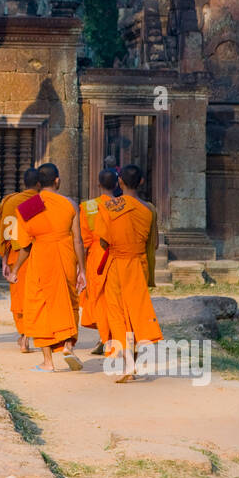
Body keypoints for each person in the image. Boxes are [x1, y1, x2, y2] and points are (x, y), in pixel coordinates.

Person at [6, 162, 86, 372]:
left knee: (41, 305)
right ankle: (68, 345)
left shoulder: (30, 206)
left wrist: (15, 271)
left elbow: (24, 246)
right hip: (66, 256)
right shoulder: (70, 203)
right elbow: (78, 240)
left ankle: (48, 361)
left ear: (39, 183)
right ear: (57, 180)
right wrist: (83, 270)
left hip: (41, 257)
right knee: (68, 301)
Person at [93, 163, 163, 382]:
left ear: (120, 182)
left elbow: (104, 242)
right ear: (141, 182)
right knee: (135, 310)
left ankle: (128, 364)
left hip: (117, 264)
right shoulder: (149, 210)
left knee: (117, 312)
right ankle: (132, 360)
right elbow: (156, 244)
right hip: (138, 264)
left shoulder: (109, 207)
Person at [0, 167, 40, 352]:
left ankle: (23, 336)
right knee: (36, 295)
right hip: (39, 254)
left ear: (24, 183)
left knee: (19, 297)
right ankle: (33, 334)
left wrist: (4, 260)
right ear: (39, 184)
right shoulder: (41, 202)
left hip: (16, 254)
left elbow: (6, 233)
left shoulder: (10, 202)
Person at [79, 168, 121, 355]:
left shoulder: (88, 207)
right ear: (118, 184)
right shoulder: (122, 205)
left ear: (98, 185)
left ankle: (107, 339)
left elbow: (84, 240)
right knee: (115, 298)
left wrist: (80, 266)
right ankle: (108, 338)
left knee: (99, 298)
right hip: (118, 254)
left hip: (96, 256)